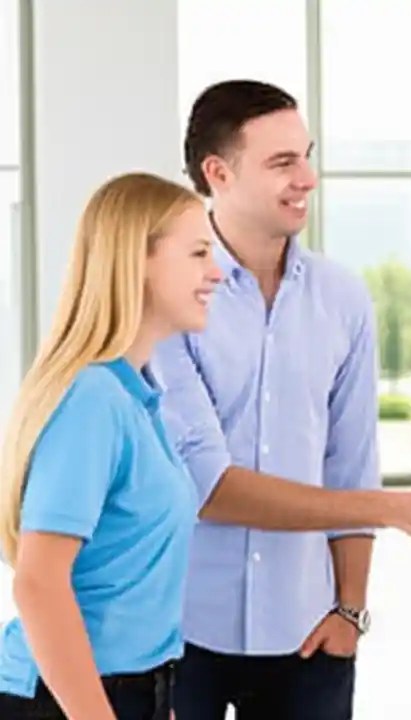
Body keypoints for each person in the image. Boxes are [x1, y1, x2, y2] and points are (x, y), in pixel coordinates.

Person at [149, 79, 411, 720]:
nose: (307, 178)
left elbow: (351, 458)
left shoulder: (342, 298)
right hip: (180, 631)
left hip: (310, 630)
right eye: (282, 162)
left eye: (307, 155)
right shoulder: (168, 292)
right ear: (218, 173)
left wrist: (350, 609)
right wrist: (401, 510)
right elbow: (209, 486)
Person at [0, 173, 220, 719]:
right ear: (137, 259)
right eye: (198, 253)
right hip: (64, 698)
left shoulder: (137, 397)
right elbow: (38, 582)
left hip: (131, 691)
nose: (215, 273)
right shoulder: (93, 399)